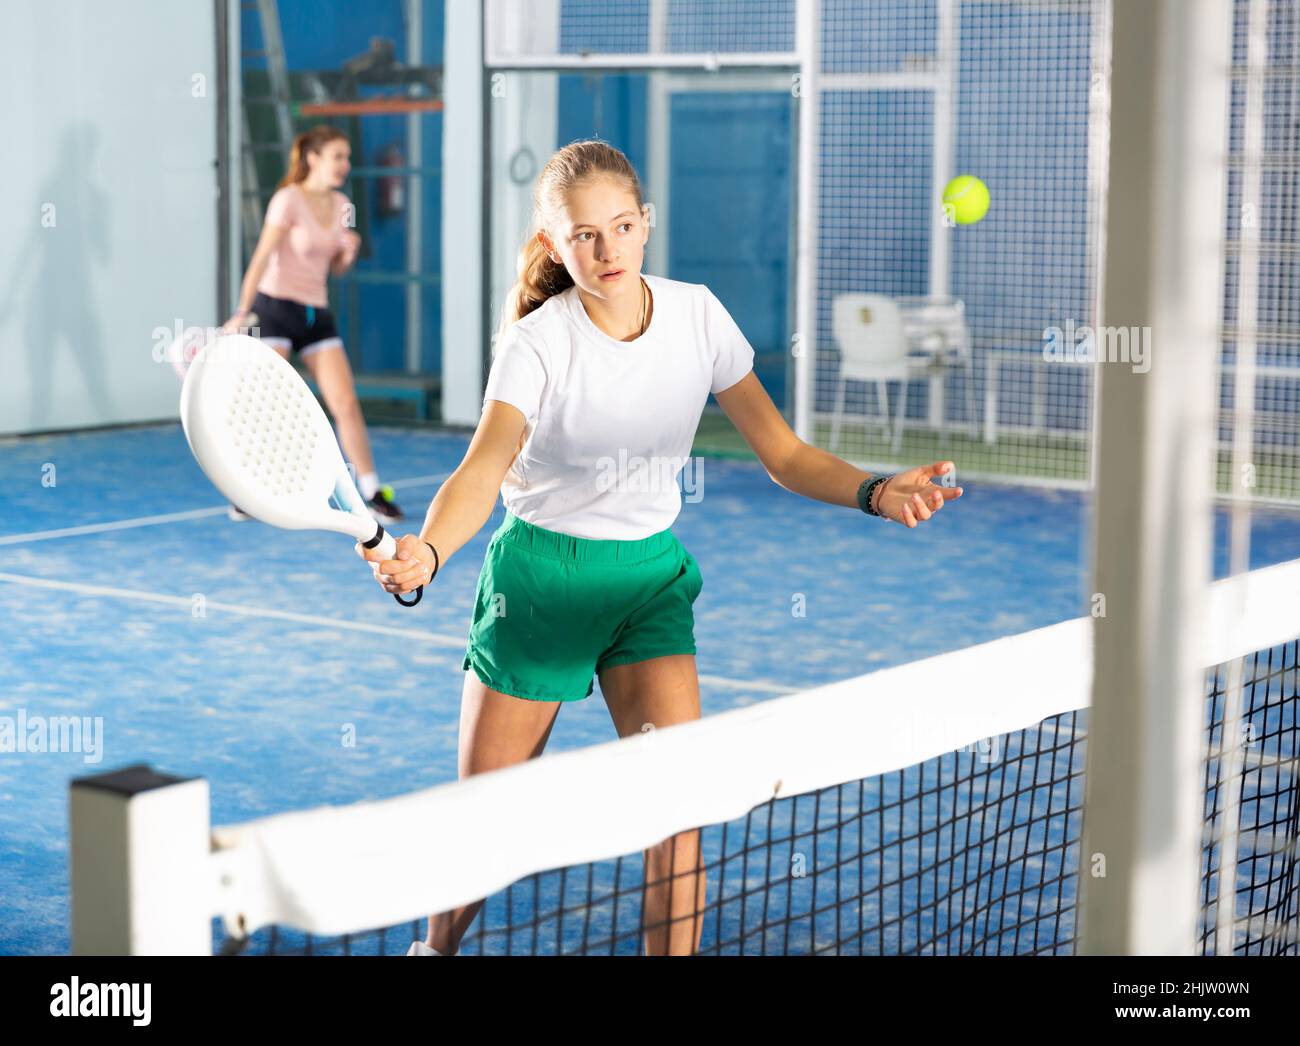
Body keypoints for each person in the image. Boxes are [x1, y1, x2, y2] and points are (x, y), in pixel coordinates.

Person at [357, 139, 963, 956]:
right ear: (553, 245)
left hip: (647, 583)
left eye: (620, 227)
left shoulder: (698, 314)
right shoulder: (537, 344)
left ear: (646, 223)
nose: (606, 250)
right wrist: (428, 551)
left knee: (678, 813)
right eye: (583, 235)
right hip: (538, 586)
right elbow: (483, 468)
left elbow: (782, 454)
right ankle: (434, 951)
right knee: (486, 821)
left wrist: (875, 490)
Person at [223, 124, 404, 523]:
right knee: (272, 406)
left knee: (345, 403)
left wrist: (348, 254)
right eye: (338, 156)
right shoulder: (287, 200)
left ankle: (372, 490)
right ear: (313, 159)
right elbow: (260, 258)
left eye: (347, 157)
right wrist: (242, 310)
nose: (345, 164)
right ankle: (247, 491)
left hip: (315, 313)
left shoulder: (343, 205)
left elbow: (335, 269)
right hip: (274, 308)